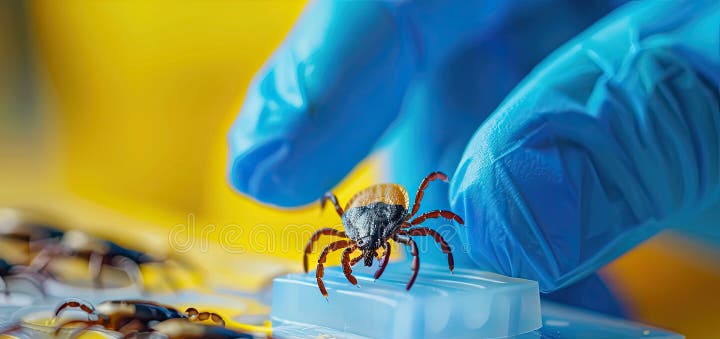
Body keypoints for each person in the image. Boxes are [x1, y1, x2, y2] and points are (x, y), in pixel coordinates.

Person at [227, 0, 719, 316]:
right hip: (373, 213)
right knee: (436, 223)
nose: (370, 254)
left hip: (377, 211)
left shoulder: (390, 229)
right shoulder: (364, 235)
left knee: (442, 224)